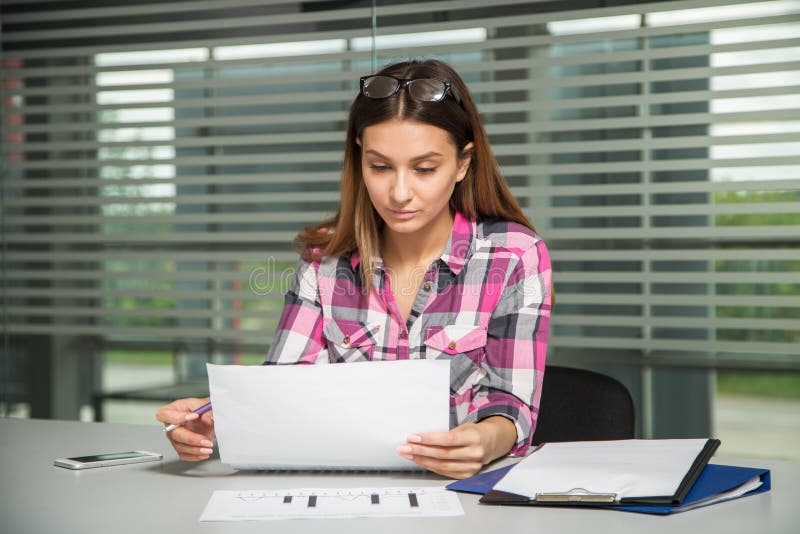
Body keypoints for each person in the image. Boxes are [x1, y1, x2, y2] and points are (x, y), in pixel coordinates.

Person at [156, 59, 553, 479]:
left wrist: (487, 440)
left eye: (424, 168)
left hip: (460, 492)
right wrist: (215, 419)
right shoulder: (325, 257)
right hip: (344, 490)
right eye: (380, 167)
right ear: (359, 157)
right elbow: (283, 392)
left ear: (462, 163)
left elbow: (511, 406)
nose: (399, 193)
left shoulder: (514, 256)